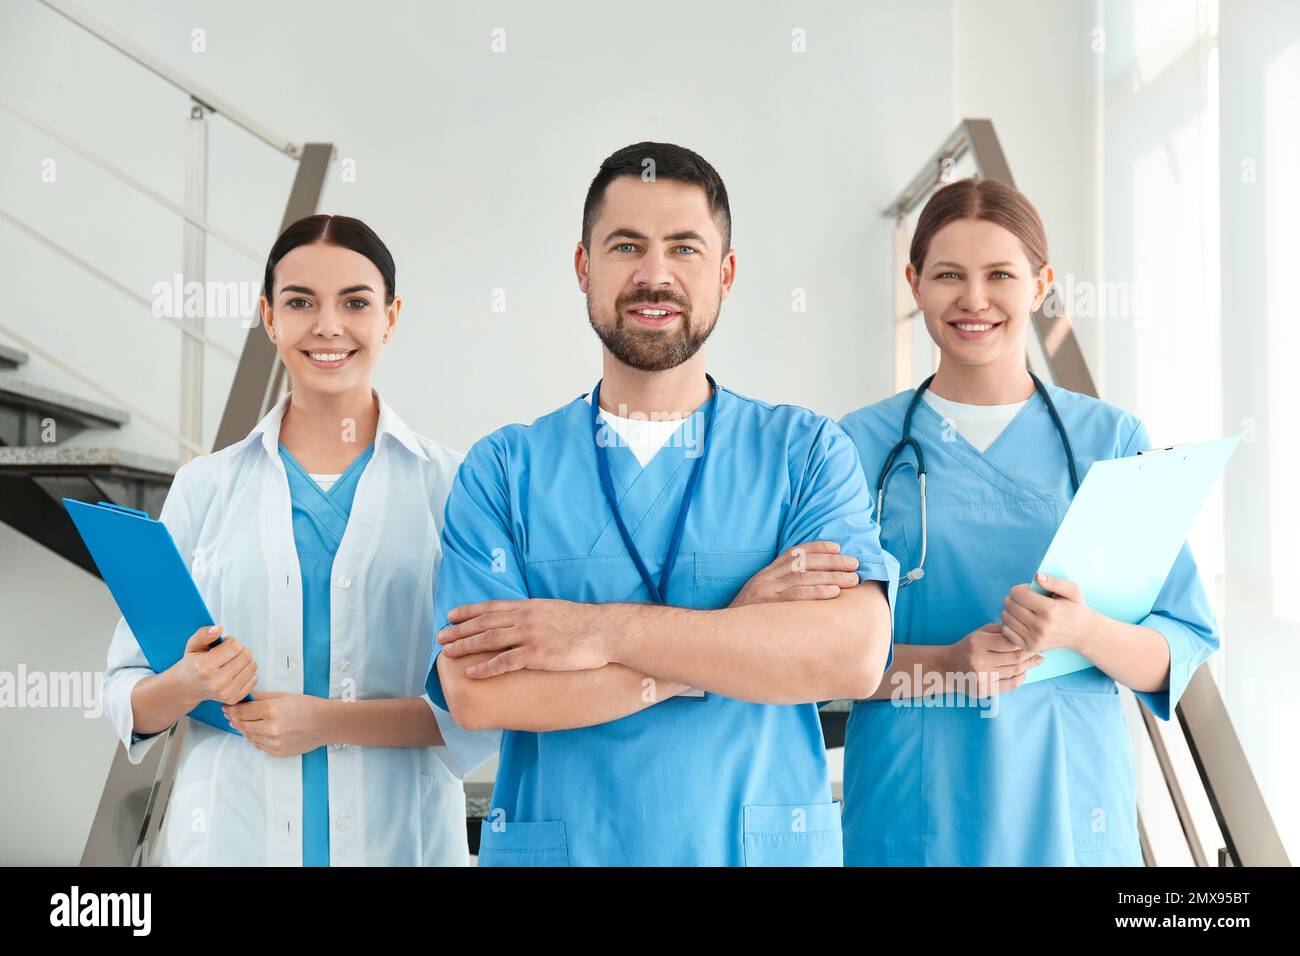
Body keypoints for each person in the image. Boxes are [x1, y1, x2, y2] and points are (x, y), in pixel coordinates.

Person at [427, 141, 899, 866]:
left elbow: (853, 655)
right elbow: (481, 697)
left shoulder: (805, 453)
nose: (655, 275)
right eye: (626, 246)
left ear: (726, 273)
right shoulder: (504, 469)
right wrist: (735, 635)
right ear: (584, 267)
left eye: (684, 247)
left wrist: (595, 633)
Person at [836, 177, 1220, 866]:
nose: (974, 299)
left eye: (1000, 275)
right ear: (914, 282)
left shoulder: (1108, 438)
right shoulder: (857, 446)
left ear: (1040, 284)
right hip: (913, 805)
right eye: (949, 274)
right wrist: (947, 667)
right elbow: (819, 657)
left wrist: (1084, 630)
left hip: (1070, 806)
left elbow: (1176, 648)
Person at [102, 214, 497, 866]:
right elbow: (128, 695)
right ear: (269, 317)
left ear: (391, 318)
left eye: (356, 303)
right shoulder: (205, 488)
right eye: (300, 302)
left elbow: (483, 707)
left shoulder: (455, 487)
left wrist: (327, 722)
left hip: (402, 844)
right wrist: (189, 680)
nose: (328, 326)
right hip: (235, 840)